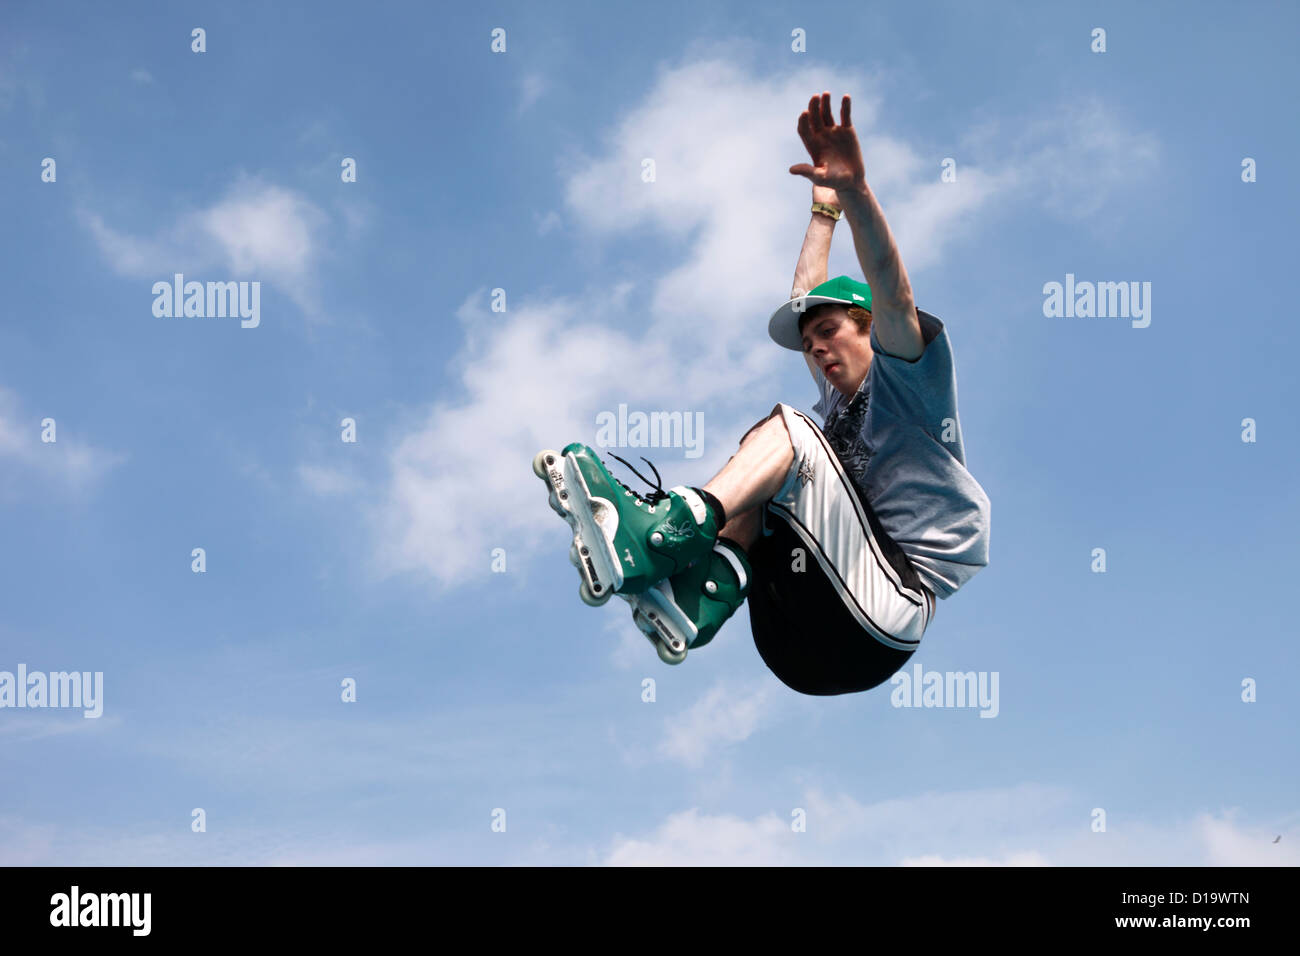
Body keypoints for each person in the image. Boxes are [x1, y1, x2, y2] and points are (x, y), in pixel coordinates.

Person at [535, 92, 990, 694]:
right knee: (772, 473)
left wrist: (853, 193)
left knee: (788, 435)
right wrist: (820, 213)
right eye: (808, 346)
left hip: (886, 612)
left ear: (869, 328)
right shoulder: (837, 408)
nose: (818, 351)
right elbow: (807, 294)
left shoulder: (907, 379)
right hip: (802, 646)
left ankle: (667, 530)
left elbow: (893, 292)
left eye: (830, 334)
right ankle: (695, 599)